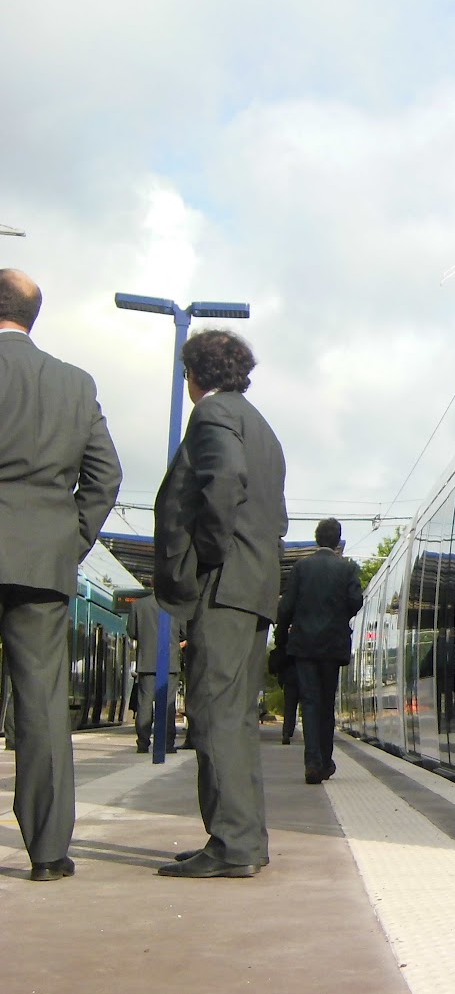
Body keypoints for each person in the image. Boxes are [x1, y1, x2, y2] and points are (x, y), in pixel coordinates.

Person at [0, 269, 122, 881]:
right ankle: (48, 853)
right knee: (43, 703)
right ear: (34, 315)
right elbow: (105, 475)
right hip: (42, 560)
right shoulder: (75, 384)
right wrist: (67, 541)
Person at [153, 328, 286, 879]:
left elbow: (224, 479)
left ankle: (231, 844)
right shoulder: (262, 427)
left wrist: (208, 554)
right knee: (233, 715)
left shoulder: (211, 417)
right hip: (253, 587)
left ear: (194, 375)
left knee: (213, 714)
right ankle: (241, 838)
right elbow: (273, 511)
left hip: (225, 586)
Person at [276, 518, 363, 784]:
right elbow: (355, 601)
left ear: (316, 539)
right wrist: (338, 618)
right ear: (337, 541)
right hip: (332, 645)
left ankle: (312, 761)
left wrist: (282, 640)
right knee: (326, 704)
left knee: (310, 703)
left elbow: (286, 607)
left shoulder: (301, 568)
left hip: (304, 646)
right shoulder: (346, 569)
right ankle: (325, 760)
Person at [127, 591, 182, 753]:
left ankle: (143, 743)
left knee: (144, 703)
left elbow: (132, 632)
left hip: (147, 662)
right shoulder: (177, 606)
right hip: (169, 662)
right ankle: (167, 743)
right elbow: (184, 632)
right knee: (167, 703)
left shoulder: (138, 606)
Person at [267, 639, 299, 745]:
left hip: (289, 677)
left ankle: (286, 733)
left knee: (289, 707)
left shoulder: (286, 641)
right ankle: (310, 737)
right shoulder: (306, 637)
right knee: (309, 706)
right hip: (305, 675)